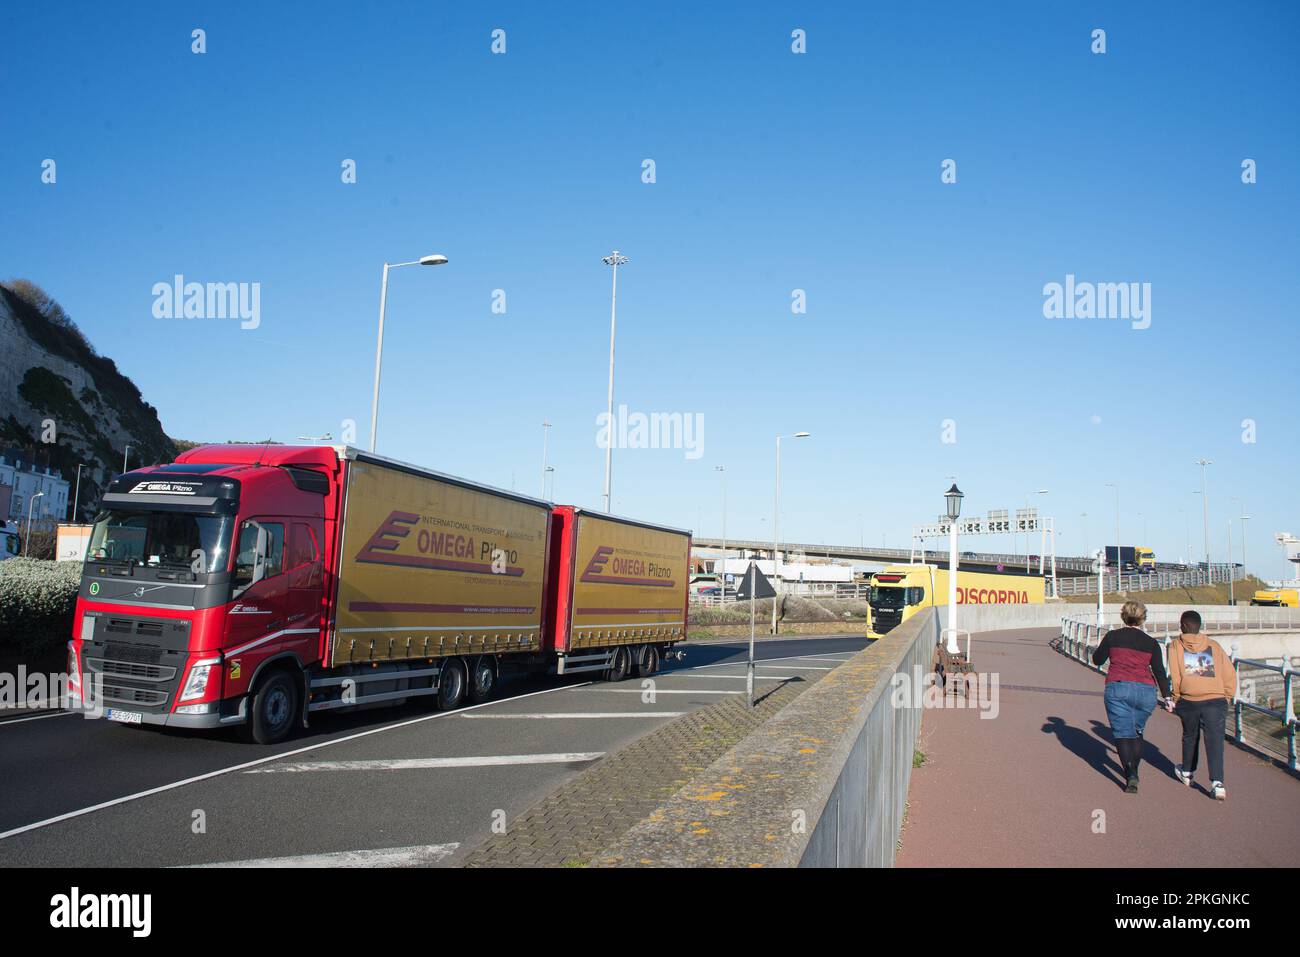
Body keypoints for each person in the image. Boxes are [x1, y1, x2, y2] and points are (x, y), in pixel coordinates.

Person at [1091, 600, 1170, 793]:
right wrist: (1167, 697)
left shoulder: (1112, 637)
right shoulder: (1151, 643)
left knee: (1122, 733)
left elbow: (1097, 659)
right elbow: (1159, 671)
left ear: (1123, 616)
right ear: (1143, 619)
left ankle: (1131, 772)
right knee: (1136, 732)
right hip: (1146, 691)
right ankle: (1133, 767)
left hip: (1118, 687)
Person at [1166, 610, 1236, 801]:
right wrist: (1227, 696)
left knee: (1190, 736)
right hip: (1216, 699)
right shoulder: (1214, 646)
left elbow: (1176, 676)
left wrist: (1176, 697)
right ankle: (1217, 783)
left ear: (1184, 626)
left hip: (1189, 699)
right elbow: (1229, 673)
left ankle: (1187, 773)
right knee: (1215, 741)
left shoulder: (1174, 646)